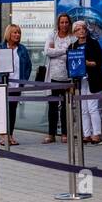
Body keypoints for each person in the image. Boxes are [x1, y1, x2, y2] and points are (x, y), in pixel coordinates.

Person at [0, 24, 33, 146]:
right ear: (8, 34)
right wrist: (1, 68)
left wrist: (24, 80)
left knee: (12, 111)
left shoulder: (22, 49)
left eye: (19, 33)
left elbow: (29, 66)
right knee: (3, 111)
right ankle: (4, 136)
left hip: (16, 85)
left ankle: (10, 135)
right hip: (3, 85)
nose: (17, 35)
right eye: (14, 32)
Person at [68, 20, 102, 143]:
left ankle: (97, 134)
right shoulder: (72, 46)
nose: (82, 30)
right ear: (74, 32)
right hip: (80, 81)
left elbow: (100, 62)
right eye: (78, 29)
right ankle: (86, 134)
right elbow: (69, 65)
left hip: (93, 80)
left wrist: (88, 63)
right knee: (83, 109)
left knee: (92, 108)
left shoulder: (93, 43)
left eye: (83, 28)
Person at [42, 13, 76, 143]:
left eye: (66, 22)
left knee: (66, 108)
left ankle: (65, 133)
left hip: (67, 77)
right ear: (58, 23)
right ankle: (51, 134)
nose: (64, 25)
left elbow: (72, 55)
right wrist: (63, 51)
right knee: (52, 107)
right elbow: (47, 52)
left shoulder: (72, 38)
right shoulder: (53, 35)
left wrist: (56, 51)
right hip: (53, 77)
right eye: (62, 22)